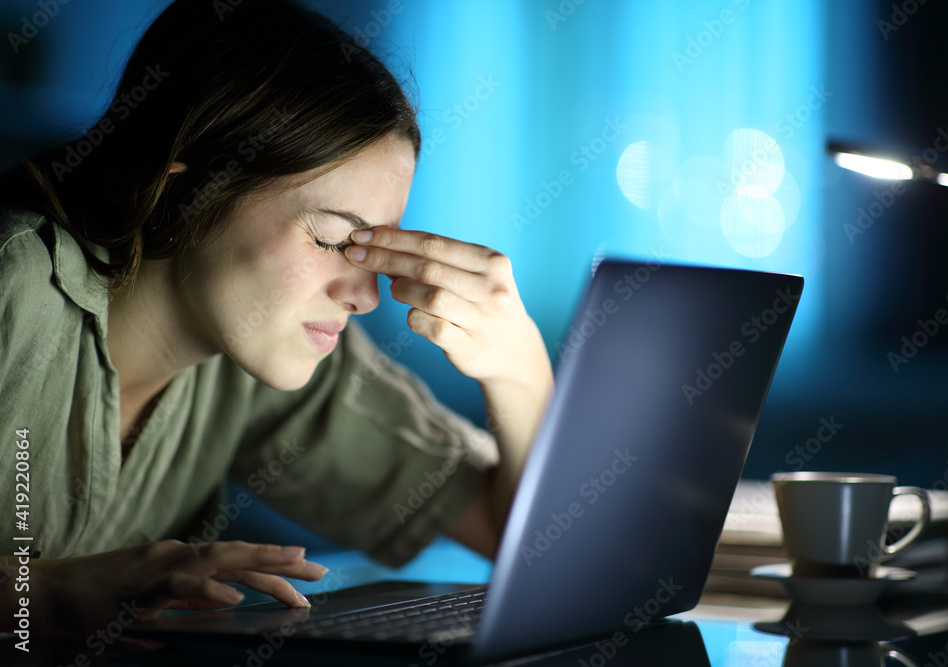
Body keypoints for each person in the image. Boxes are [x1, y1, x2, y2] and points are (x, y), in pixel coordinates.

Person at [0, 0, 552, 631]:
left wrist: (520, 371)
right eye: (330, 239)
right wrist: (51, 590)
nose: (366, 296)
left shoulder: (271, 350)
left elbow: (522, 537)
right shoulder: (14, 283)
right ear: (183, 190)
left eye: (373, 250)